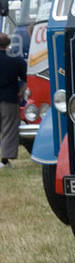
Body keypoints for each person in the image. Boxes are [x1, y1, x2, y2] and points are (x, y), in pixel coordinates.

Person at [0, 32, 26, 167]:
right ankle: (5, 159)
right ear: (9, 44)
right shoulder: (16, 61)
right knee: (9, 128)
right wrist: (21, 92)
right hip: (9, 99)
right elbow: (26, 78)